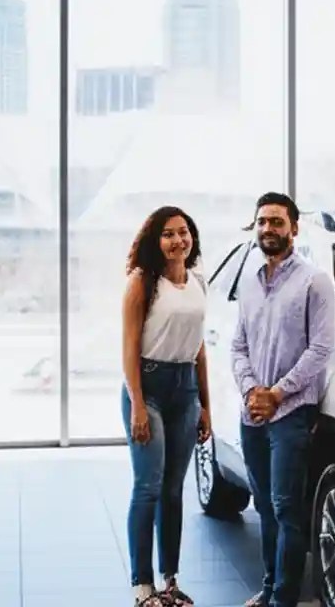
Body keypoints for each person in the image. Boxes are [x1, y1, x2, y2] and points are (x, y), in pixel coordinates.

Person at [230, 192, 335, 607]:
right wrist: (250, 391)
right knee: (264, 505)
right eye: (261, 222)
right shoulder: (249, 282)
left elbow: (321, 349)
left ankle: (284, 598)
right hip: (253, 410)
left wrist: (277, 393)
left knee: (287, 508)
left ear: (293, 227)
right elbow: (238, 345)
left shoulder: (314, 281)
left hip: (291, 412)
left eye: (276, 222)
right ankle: (270, 587)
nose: (268, 229)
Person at [121, 206, 214, 607]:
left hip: (185, 390)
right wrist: (138, 404)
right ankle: (143, 587)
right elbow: (128, 349)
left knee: (173, 490)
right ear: (155, 240)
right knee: (148, 486)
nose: (178, 240)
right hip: (149, 387)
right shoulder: (143, 282)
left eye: (184, 232)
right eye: (168, 234)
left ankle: (170, 581)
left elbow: (199, 350)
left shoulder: (198, 281)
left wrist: (206, 405)